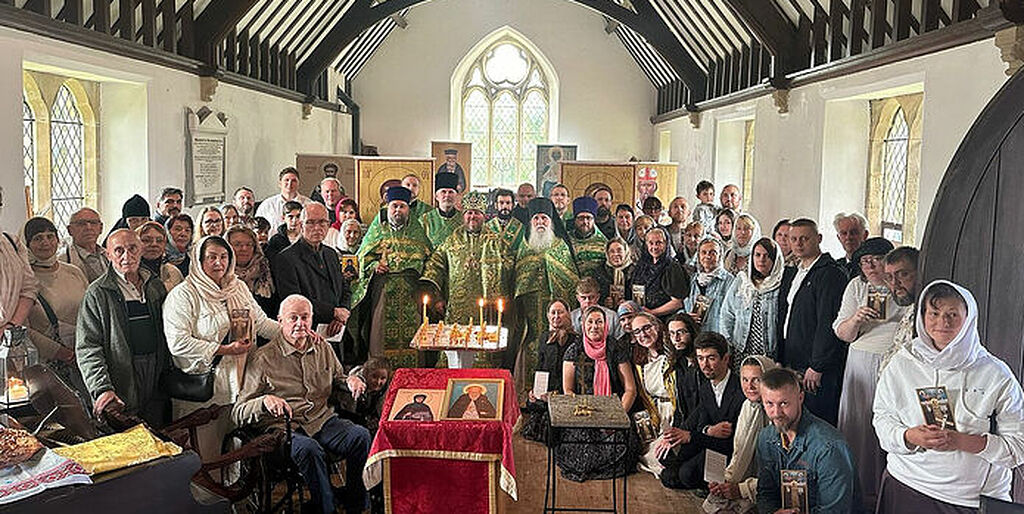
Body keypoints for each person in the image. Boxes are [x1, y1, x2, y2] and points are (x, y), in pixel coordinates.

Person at [873, 280, 1024, 512]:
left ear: (969, 319)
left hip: (969, 499)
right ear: (922, 316)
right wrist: (909, 436)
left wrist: (959, 441)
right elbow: (882, 417)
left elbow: (1018, 447)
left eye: (952, 314)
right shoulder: (902, 363)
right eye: (934, 313)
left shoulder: (995, 374)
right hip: (906, 483)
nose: (942, 322)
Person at [233, 295, 370, 514]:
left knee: (360, 436)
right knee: (310, 450)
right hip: (283, 428)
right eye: (293, 318)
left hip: (320, 419)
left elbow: (338, 378)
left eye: (305, 317)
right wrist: (264, 401)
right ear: (280, 321)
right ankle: (326, 509)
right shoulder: (262, 359)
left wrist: (351, 381)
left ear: (312, 319)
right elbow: (238, 412)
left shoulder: (322, 347)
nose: (300, 323)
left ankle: (355, 504)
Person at [163, 236, 278, 469]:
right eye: (211, 257)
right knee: (206, 460)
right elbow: (178, 342)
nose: (219, 263)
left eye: (224, 257)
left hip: (241, 386)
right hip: (203, 394)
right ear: (198, 260)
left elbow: (262, 322)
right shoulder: (183, 294)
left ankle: (235, 503)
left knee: (236, 455)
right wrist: (224, 349)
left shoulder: (238, 288)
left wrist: (295, 333)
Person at [833, 237, 907, 507]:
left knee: (888, 422)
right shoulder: (856, 286)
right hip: (861, 361)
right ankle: (857, 490)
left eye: (877, 260)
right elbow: (842, 333)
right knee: (859, 424)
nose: (871, 266)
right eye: (865, 262)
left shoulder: (900, 287)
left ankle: (887, 489)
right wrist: (856, 319)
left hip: (894, 362)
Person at [76, 229, 171, 427]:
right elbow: (88, 348)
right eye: (119, 250)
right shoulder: (98, 293)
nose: (127, 256)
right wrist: (101, 388)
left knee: (159, 436)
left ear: (141, 249)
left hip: (156, 375)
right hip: (122, 376)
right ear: (108, 255)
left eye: (132, 248)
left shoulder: (155, 286)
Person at [421, 191, 513, 368]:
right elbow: (436, 263)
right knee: (454, 348)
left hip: (486, 307)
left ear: (484, 216)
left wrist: (495, 266)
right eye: (469, 213)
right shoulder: (452, 239)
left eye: (477, 213)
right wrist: (437, 297)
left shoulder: (495, 241)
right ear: (463, 216)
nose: (472, 217)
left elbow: (509, 263)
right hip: (456, 305)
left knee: (482, 354)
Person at [756, 367, 859, 513]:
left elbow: (834, 511)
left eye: (784, 403)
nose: (776, 413)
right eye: (769, 404)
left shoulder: (829, 447)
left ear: (800, 398)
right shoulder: (765, 438)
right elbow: (765, 493)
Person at [350, 186, 432, 368]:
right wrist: (374, 265)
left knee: (414, 334)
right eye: (394, 206)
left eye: (402, 206)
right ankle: (380, 379)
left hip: (411, 292)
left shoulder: (417, 230)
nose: (398, 210)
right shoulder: (377, 229)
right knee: (380, 333)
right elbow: (362, 258)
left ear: (408, 209)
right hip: (384, 289)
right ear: (387, 207)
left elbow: (429, 258)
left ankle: (413, 376)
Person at [777, 218, 848, 425]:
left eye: (804, 239)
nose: (798, 244)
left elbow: (828, 323)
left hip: (815, 368)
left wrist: (817, 365)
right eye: (794, 239)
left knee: (816, 422)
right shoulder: (794, 271)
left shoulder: (830, 274)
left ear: (818, 238)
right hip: (793, 360)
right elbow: (786, 317)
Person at [559, 306, 639, 481]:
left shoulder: (616, 348)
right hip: (584, 411)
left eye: (599, 322)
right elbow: (568, 390)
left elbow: (630, 390)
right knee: (580, 456)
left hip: (613, 409)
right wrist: (582, 416)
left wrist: (615, 417)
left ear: (606, 325)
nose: (594, 326)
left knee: (621, 451)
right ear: (583, 325)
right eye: (590, 322)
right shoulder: (574, 350)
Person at [657, 332, 744, 490]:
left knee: (686, 474)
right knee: (666, 459)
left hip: (727, 450)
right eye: (700, 358)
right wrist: (708, 430)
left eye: (711, 358)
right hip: (707, 441)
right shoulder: (705, 387)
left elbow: (731, 442)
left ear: (726, 359)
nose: (705, 365)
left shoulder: (739, 390)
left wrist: (692, 436)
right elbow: (701, 423)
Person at [512, 197, 578, 393]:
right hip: (531, 308)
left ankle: (558, 390)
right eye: (536, 218)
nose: (540, 222)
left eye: (544, 218)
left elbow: (571, 278)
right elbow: (517, 276)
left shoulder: (560, 246)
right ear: (530, 221)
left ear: (551, 221)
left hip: (555, 306)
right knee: (533, 346)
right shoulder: (524, 244)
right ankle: (530, 393)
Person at [23, 217, 89, 400]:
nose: (45, 242)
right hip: (50, 363)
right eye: (37, 238)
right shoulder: (24, 278)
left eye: (50, 236)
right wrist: (62, 353)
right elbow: (24, 329)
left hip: (83, 354)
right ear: (27, 244)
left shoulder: (74, 272)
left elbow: (91, 311)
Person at [273, 204, 351, 357]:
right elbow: (292, 300)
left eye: (322, 222)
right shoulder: (286, 259)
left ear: (329, 225)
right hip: (306, 333)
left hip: (335, 331)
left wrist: (341, 316)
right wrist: (333, 312)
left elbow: (344, 289)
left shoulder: (331, 254)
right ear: (301, 225)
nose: (317, 227)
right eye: (311, 222)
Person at [704, 355, 777, 513]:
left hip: (770, 486)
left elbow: (779, 470)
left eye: (756, 380)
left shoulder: (777, 412)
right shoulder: (747, 406)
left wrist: (742, 489)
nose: (749, 386)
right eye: (744, 379)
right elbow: (739, 454)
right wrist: (724, 481)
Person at [522, 299, 579, 442]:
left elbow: (575, 376)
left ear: (568, 314)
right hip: (547, 389)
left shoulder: (576, 340)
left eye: (560, 312)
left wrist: (556, 393)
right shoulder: (543, 338)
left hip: (566, 390)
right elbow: (540, 367)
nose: (556, 316)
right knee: (534, 405)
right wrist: (535, 390)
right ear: (548, 316)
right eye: (553, 313)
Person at [721, 238, 784, 365]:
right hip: (742, 348)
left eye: (767, 256)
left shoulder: (782, 283)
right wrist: (727, 344)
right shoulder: (742, 281)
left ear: (774, 259)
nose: (761, 259)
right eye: (757, 255)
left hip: (769, 351)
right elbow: (727, 314)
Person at [631, 312, 679, 479]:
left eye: (647, 328)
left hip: (675, 413)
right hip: (656, 414)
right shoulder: (640, 362)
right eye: (637, 332)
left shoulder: (672, 354)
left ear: (657, 326)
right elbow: (646, 399)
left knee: (662, 455)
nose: (643, 334)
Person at [878, 246, 920, 374]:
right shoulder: (912, 309)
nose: (895, 284)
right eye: (889, 277)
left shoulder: (929, 315)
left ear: (920, 272)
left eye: (902, 274)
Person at [633, 228, 690, 320]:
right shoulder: (641, 266)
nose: (654, 247)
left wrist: (652, 313)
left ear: (666, 244)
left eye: (659, 243)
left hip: (663, 319)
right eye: (651, 243)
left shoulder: (672, 267)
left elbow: (677, 303)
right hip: (641, 317)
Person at [684, 238, 735, 334]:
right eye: (704, 252)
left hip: (718, 337)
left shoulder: (730, 281)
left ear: (720, 256)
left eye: (713, 253)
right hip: (695, 336)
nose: (707, 256)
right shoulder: (692, 280)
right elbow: (682, 307)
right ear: (698, 256)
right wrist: (686, 317)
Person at [226, 225, 276, 317]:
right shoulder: (220, 274)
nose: (244, 248)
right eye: (237, 244)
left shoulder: (266, 269)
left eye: (249, 244)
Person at [667, 312, 703, 426]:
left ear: (692, 333)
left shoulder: (703, 363)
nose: (676, 339)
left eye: (681, 332)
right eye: (672, 334)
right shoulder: (678, 363)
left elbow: (705, 405)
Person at [63, 207, 109, 282]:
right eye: (81, 224)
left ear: (101, 228)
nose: (88, 227)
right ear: (70, 230)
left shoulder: (108, 255)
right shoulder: (62, 260)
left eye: (93, 223)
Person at [136, 221, 185, 293]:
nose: (154, 244)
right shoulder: (130, 274)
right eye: (146, 240)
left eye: (159, 240)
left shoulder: (172, 272)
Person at [568, 196, 607, 277]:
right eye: (581, 218)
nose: (585, 222)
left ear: (594, 220)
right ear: (575, 220)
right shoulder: (566, 241)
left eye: (588, 218)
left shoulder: (604, 243)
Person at [420, 172, 461, 247]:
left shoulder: (463, 220)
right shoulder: (425, 220)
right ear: (436, 196)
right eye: (443, 192)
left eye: (451, 192)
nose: (447, 195)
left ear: (456, 196)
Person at [596, 238, 634, 308]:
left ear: (626, 252)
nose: (616, 254)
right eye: (612, 251)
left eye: (619, 250)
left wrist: (628, 302)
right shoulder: (600, 271)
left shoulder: (635, 271)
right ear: (607, 253)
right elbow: (596, 294)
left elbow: (638, 297)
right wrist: (604, 301)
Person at [833, 212, 869, 279]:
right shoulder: (834, 267)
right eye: (844, 233)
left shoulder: (871, 267)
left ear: (865, 235)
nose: (848, 237)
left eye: (853, 232)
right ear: (839, 238)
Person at [166, 213, 194, 277]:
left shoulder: (194, 260)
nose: (183, 234)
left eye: (187, 230)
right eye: (178, 229)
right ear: (168, 232)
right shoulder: (159, 258)